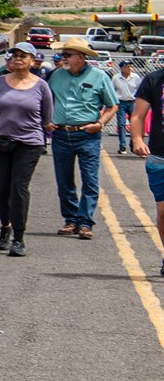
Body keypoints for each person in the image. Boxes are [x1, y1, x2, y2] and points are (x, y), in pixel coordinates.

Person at [0, 45, 54, 257]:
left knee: (19, 188)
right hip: (1, 141)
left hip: (29, 143)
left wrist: (50, 135)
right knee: (1, 189)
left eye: (23, 56)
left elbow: (47, 119)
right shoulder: (0, 83)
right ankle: (6, 226)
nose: (18, 59)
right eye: (15, 55)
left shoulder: (41, 86)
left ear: (31, 60)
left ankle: (19, 238)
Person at [45, 36, 116, 240]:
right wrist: (46, 121)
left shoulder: (99, 77)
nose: (62, 58)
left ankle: (85, 222)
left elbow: (112, 106)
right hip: (60, 133)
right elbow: (44, 101)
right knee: (64, 180)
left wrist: (99, 124)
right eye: (62, 54)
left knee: (90, 180)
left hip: (87, 134)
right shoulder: (56, 76)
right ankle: (70, 219)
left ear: (81, 57)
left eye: (67, 55)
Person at [129, 65, 164, 277]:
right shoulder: (154, 79)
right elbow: (137, 116)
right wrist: (137, 139)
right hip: (160, 157)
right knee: (163, 211)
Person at [112, 59, 140, 154]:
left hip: (132, 102)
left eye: (130, 66)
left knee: (134, 124)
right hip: (120, 102)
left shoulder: (135, 77)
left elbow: (140, 89)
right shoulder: (116, 78)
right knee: (121, 124)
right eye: (127, 67)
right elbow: (112, 90)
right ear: (121, 68)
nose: (129, 68)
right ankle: (122, 146)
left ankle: (134, 144)